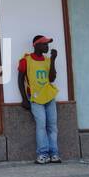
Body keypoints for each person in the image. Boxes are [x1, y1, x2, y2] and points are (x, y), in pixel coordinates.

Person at [18, 34, 61, 164]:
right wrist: (24, 99)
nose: (47, 47)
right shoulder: (26, 61)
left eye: (47, 44)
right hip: (35, 99)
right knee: (41, 125)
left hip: (49, 96)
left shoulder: (48, 60)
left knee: (52, 126)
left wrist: (53, 60)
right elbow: (20, 80)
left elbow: (52, 79)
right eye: (44, 44)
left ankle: (54, 153)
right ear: (36, 45)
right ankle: (42, 154)